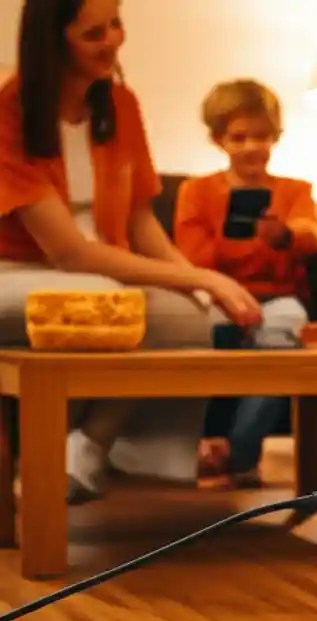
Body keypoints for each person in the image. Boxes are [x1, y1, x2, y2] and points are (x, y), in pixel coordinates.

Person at [0, 0, 262, 504]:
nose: (114, 41)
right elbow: (70, 255)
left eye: (116, 25)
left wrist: (202, 283)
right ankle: (68, 452)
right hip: (19, 271)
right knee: (112, 299)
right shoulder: (10, 110)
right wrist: (204, 278)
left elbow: (141, 222)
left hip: (105, 276)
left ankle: (91, 446)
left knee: (191, 316)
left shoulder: (120, 105)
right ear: (53, 41)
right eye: (93, 34)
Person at [173, 79, 317, 486]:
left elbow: (309, 239)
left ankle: (238, 453)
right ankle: (207, 443)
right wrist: (262, 248)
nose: (251, 147)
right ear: (218, 140)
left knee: (282, 335)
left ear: (276, 137)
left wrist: (283, 238)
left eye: (261, 136)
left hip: (278, 300)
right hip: (213, 298)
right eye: (239, 137)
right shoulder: (196, 192)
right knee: (202, 332)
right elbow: (194, 259)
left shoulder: (295, 191)